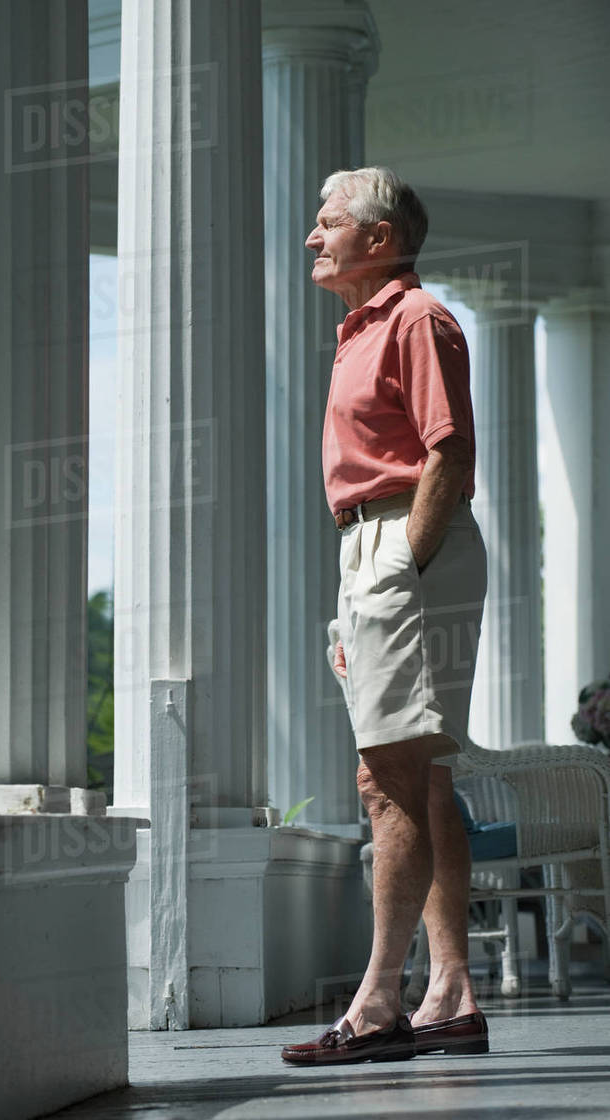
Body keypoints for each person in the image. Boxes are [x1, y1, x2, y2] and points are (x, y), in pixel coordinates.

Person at [282, 167, 489, 1066]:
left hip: (406, 542)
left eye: (328, 223)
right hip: (371, 548)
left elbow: (451, 451)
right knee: (423, 778)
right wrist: (361, 589)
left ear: (379, 237)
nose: (311, 236)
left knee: (386, 780)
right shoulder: (360, 329)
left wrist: (401, 563)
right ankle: (451, 992)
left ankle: (376, 1005)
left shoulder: (416, 319)